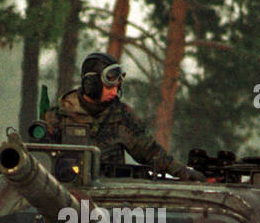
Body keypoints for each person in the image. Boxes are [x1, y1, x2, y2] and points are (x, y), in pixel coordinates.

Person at [40, 52, 204, 180]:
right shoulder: (57, 118)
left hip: (111, 200)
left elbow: (150, 151)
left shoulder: (121, 116)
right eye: (109, 87)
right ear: (92, 85)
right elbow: (41, 161)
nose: (114, 92)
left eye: (117, 87)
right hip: (68, 199)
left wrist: (182, 171)